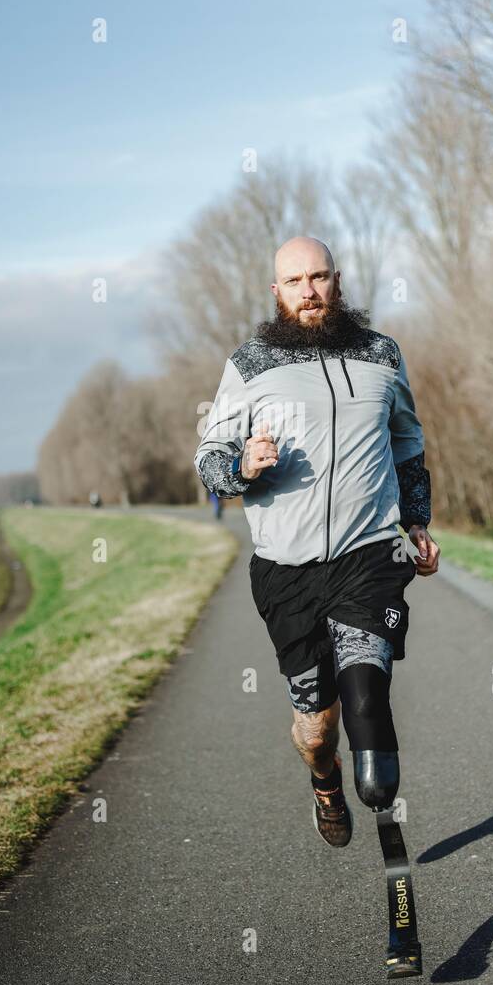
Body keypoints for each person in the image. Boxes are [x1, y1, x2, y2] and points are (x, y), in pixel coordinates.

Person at [193, 236, 439, 849]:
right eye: (296, 281)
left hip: (370, 558)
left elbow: (407, 443)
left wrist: (416, 522)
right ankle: (324, 780)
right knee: (316, 728)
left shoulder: (382, 354)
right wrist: (243, 467)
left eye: (320, 277)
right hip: (287, 570)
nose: (310, 291)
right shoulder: (250, 364)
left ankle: (381, 806)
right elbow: (208, 458)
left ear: (337, 280)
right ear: (276, 292)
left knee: (366, 698)